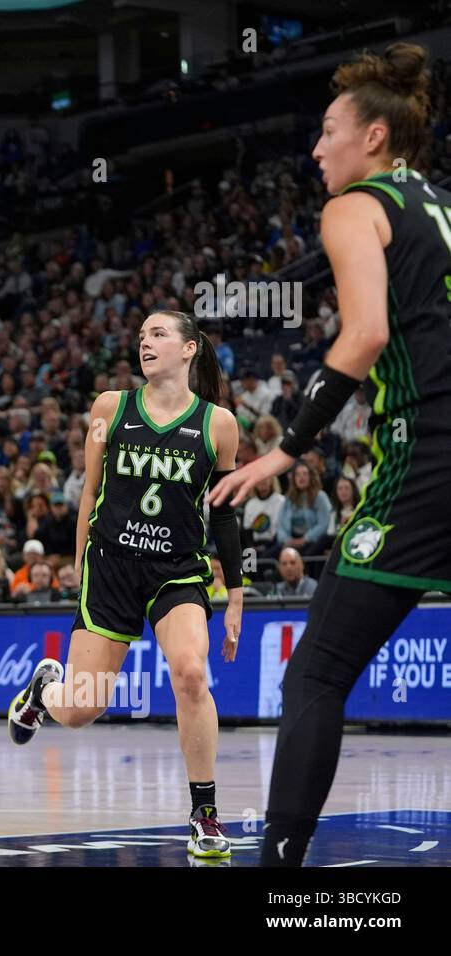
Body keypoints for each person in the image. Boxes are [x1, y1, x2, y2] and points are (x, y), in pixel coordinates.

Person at [210, 43, 451, 866]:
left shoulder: (355, 205)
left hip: (425, 465)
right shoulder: (440, 208)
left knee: (315, 675)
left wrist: (288, 450)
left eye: (327, 131)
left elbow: (368, 333)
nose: (316, 149)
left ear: (375, 137)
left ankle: (280, 870)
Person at [7, 310, 244, 861]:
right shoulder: (110, 408)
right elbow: (89, 493)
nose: (146, 342)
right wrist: (80, 564)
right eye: (141, 336)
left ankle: (205, 814)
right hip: (110, 566)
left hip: (177, 570)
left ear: (190, 349)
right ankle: (44, 691)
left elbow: (227, 516)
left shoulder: (220, 424)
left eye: (159, 334)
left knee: (190, 673)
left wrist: (235, 594)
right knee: (84, 709)